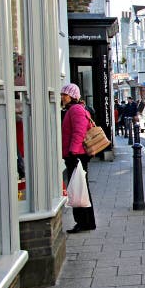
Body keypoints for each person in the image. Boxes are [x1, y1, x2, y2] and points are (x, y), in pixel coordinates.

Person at [60, 83, 96, 233]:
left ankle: (82, 222)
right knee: (81, 188)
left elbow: (79, 132)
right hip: (77, 155)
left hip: (76, 155)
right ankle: (87, 222)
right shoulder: (74, 109)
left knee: (78, 189)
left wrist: (73, 152)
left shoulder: (75, 110)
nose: (62, 97)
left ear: (72, 96)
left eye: (65, 95)